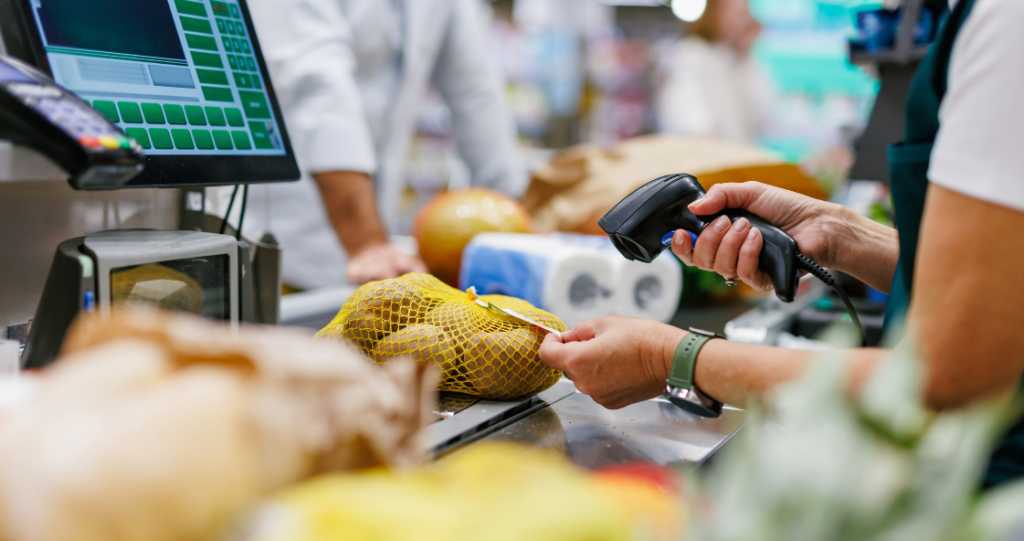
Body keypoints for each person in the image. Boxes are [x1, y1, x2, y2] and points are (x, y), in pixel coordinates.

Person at [540, 0, 1024, 487]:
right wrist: (839, 233)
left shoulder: (1005, 25)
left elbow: (946, 383)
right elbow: (997, 286)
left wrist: (670, 358)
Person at [247, 0, 523, 288]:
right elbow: (318, 86)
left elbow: (475, 92)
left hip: (377, 248)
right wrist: (368, 244)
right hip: (290, 254)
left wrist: (516, 228)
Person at [656, 0, 775, 144]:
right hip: (708, 155)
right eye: (736, 12)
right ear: (714, 13)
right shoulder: (691, 54)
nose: (743, 21)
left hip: (734, 154)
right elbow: (690, 120)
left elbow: (766, 115)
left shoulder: (738, 61)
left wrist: (747, 54)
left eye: (745, 13)